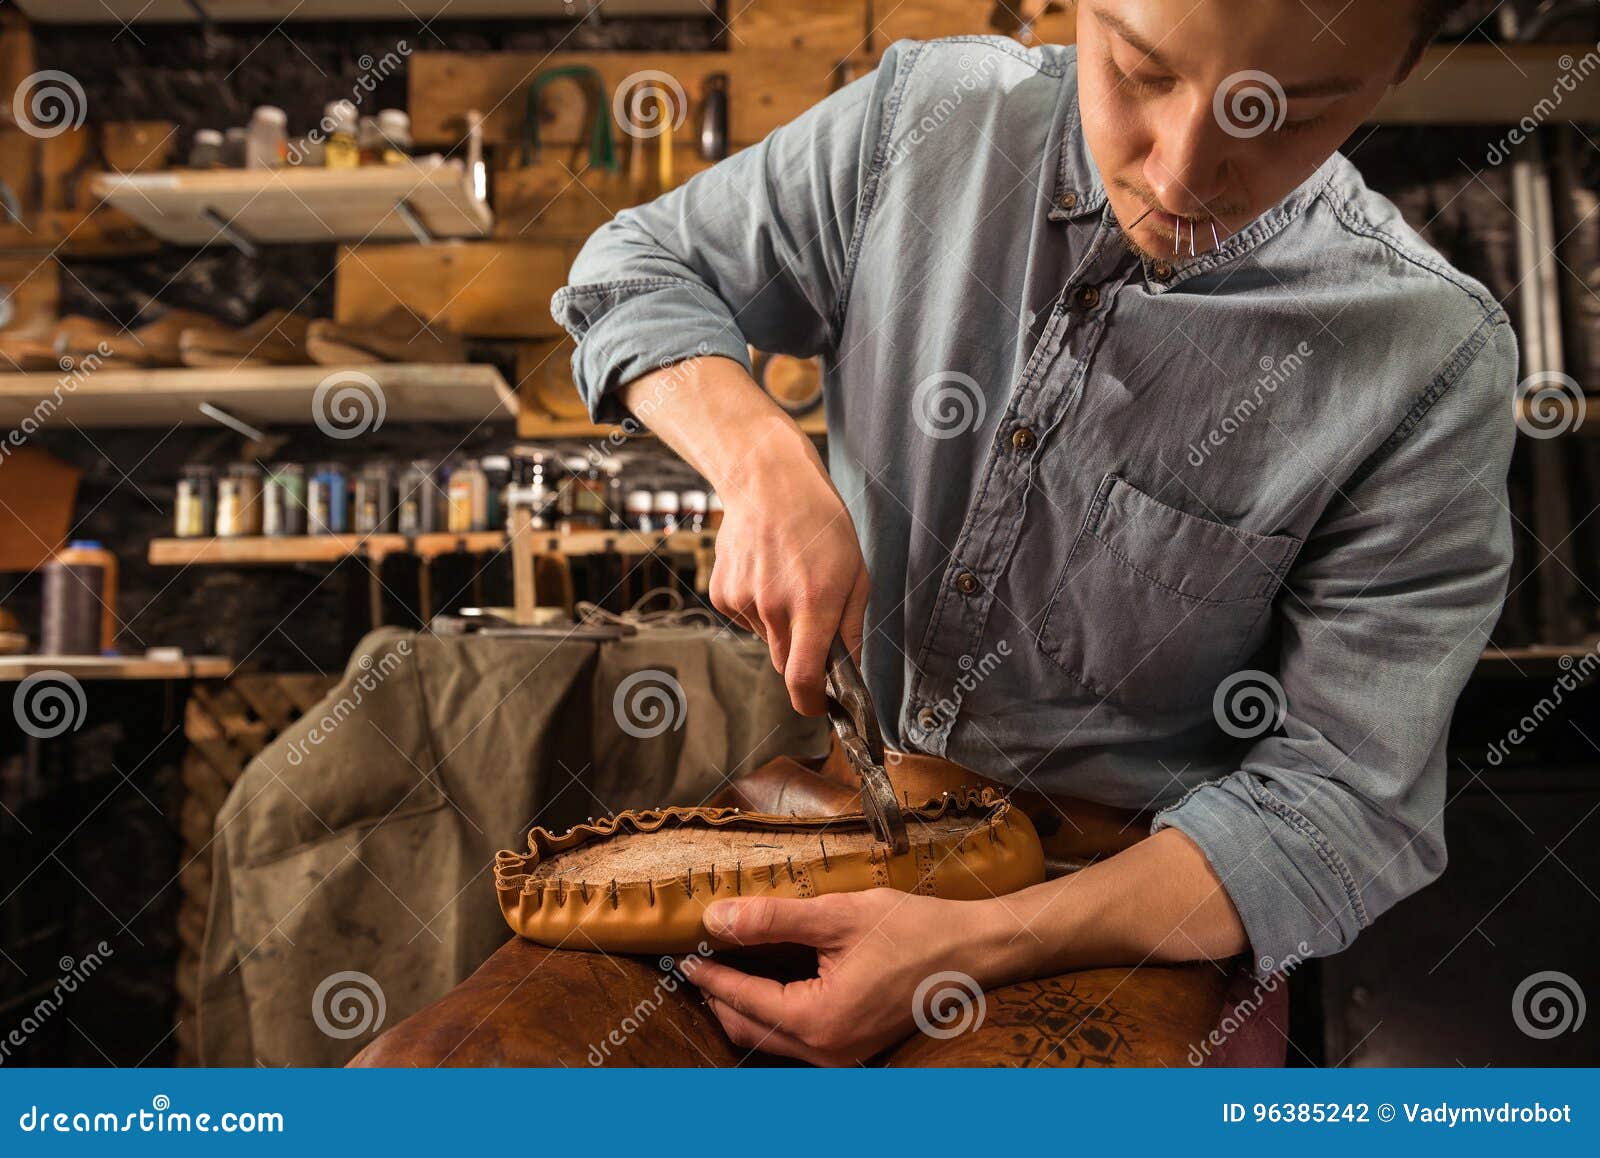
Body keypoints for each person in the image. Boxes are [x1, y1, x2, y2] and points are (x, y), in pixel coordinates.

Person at [551, 0, 1510, 1065]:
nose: (1182, 175)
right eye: (1139, 73)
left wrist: (965, 948)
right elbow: (631, 266)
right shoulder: (927, 116)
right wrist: (759, 460)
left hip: (1124, 909)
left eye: (1287, 115)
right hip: (850, 822)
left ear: (1397, 74)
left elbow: (1336, 810)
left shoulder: (1427, 358)